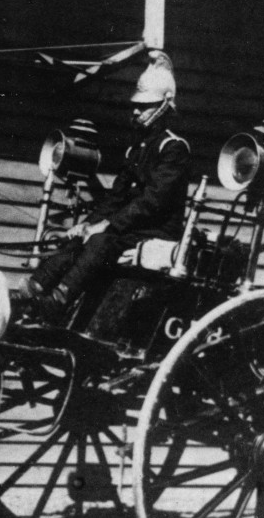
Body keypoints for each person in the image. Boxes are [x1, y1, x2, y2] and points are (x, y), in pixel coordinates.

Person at [22, 51, 192, 324]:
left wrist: (107, 226)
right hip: (129, 227)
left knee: (100, 240)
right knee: (78, 238)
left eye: (145, 106)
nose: (136, 111)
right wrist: (88, 223)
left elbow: (152, 201)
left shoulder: (173, 148)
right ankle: (33, 290)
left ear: (164, 105)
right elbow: (115, 197)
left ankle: (58, 303)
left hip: (156, 229)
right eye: (136, 105)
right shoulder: (135, 150)